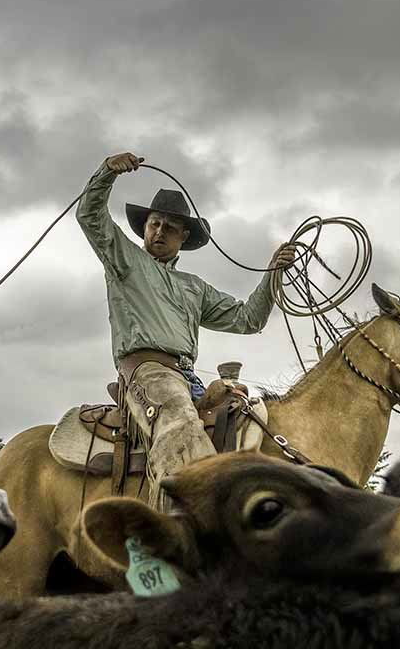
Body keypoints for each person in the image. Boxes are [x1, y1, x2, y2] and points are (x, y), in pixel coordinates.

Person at [76, 151, 295, 509]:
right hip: (147, 372)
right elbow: (89, 216)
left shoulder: (194, 287)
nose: (159, 231)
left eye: (170, 227)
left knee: (245, 415)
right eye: (154, 224)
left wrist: (273, 273)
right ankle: (176, 525)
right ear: (145, 228)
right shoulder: (125, 259)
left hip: (186, 376)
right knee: (178, 425)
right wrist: (106, 173)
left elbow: (248, 319)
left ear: (184, 237)